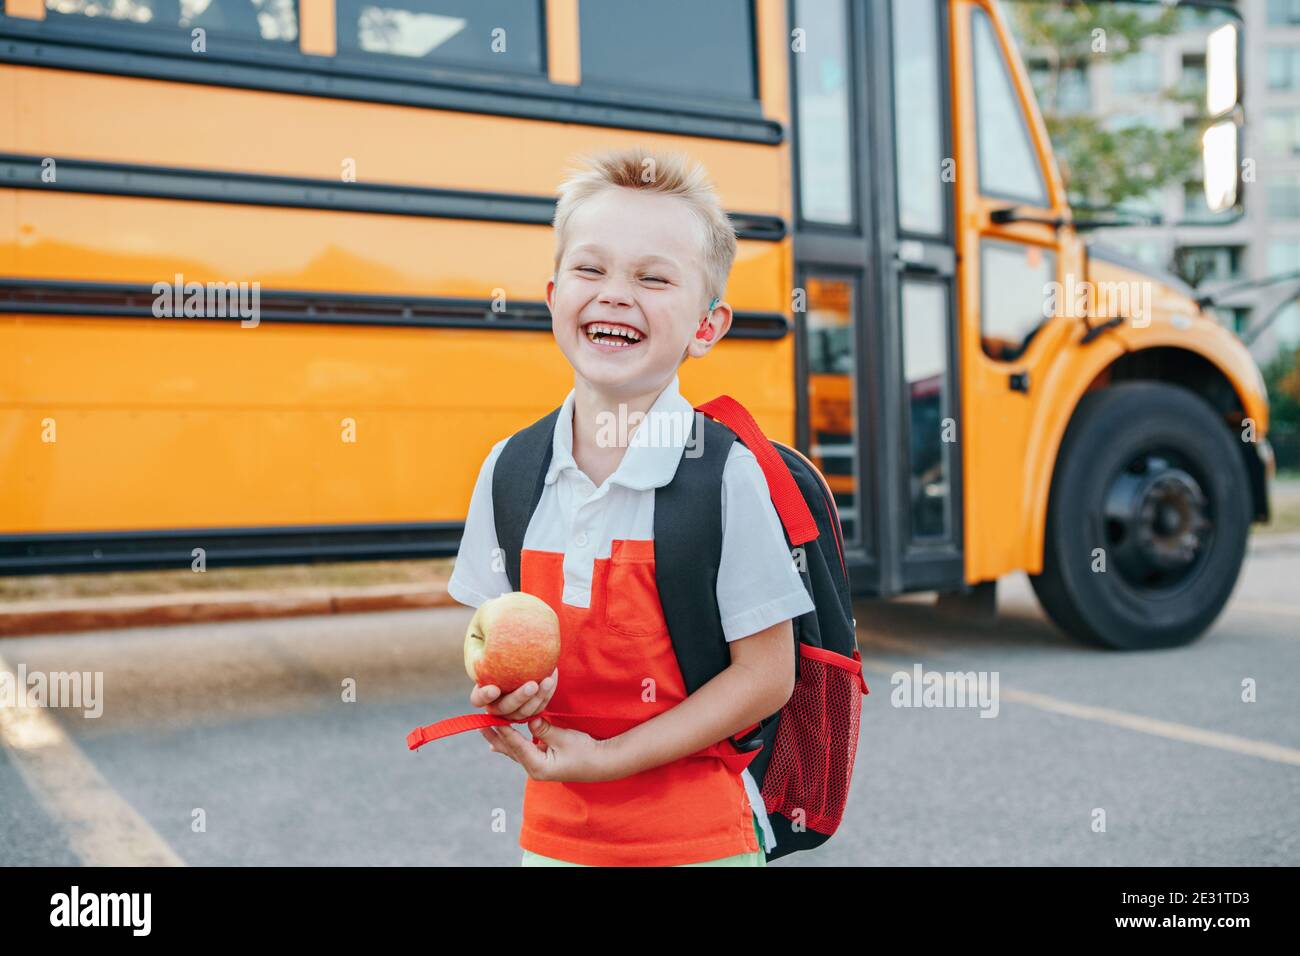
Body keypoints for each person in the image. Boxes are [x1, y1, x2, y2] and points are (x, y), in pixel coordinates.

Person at [446, 146, 815, 866]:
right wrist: (508, 691)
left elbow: (768, 676)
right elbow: (486, 634)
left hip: (700, 842)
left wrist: (609, 760)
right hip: (555, 841)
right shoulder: (510, 471)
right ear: (554, 296)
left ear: (706, 327)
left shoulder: (726, 476)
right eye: (592, 268)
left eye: (652, 277)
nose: (615, 293)